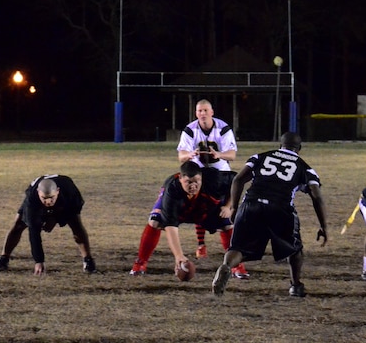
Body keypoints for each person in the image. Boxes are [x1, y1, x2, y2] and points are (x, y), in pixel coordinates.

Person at [211, 132, 328, 298]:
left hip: (251, 204)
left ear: (280, 145)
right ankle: (295, 285)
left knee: (238, 248)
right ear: (299, 149)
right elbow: (316, 194)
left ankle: (226, 267)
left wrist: (235, 208)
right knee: (295, 249)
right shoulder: (304, 167)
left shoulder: (260, 156)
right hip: (280, 208)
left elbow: (238, 180)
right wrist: (323, 226)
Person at [176, 99, 247, 278]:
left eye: (206, 110)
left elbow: (232, 155)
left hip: (220, 176)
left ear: (212, 112)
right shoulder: (190, 129)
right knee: (200, 210)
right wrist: (189, 154)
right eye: (200, 111)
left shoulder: (223, 129)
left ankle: (236, 265)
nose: (203, 113)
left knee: (226, 219)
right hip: (198, 177)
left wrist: (219, 155)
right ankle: (201, 245)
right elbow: (181, 156)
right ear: (196, 113)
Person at [130, 161, 235, 276]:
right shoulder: (172, 191)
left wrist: (228, 206)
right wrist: (178, 255)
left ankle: (236, 265)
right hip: (181, 207)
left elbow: (235, 181)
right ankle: (140, 262)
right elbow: (170, 226)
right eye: (188, 182)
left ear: (202, 178)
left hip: (203, 204)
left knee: (227, 224)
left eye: (196, 182)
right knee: (155, 221)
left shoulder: (214, 179)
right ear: (180, 179)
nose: (193, 186)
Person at [0, 174, 95, 275]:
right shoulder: (32, 199)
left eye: (51, 197)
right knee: (18, 225)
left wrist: (55, 219)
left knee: (76, 225)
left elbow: (73, 210)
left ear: (58, 191)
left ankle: (88, 260)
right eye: (44, 198)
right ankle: (3, 258)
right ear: (38, 193)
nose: (48, 202)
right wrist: (39, 261)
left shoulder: (69, 193)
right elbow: (34, 231)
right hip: (38, 197)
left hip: (66, 199)